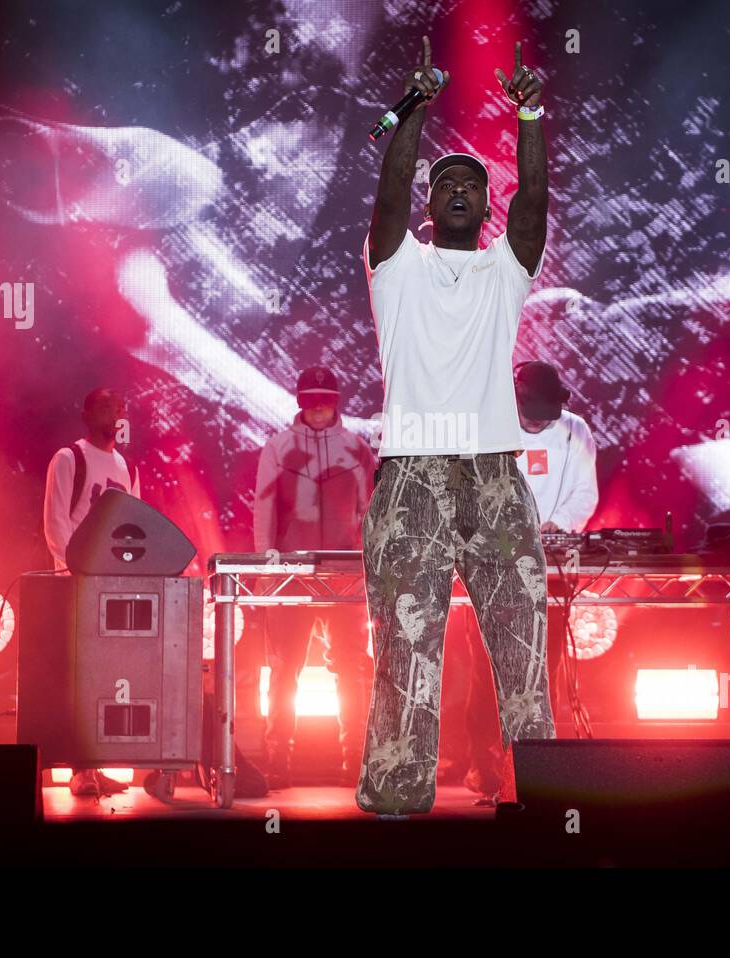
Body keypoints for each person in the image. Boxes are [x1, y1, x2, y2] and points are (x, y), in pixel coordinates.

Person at [358, 38, 553, 817]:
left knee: (522, 635)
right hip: (412, 474)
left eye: (475, 184)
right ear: (431, 207)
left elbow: (534, 206)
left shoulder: (502, 270)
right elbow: (387, 197)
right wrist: (414, 111)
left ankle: (544, 790)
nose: (462, 192)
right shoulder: (397, 265)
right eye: (449, 186)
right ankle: (399, 793)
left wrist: (529, 116)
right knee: (408, 645)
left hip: (495, 474)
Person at [444, 360, 599, 799]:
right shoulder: (484, 428)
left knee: (542, 670)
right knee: (487, 669)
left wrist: (559, 524)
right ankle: (485, 766)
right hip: (491, 565)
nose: (538, 423)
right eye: (531, 416)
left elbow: (584, 493)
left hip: (550, 567)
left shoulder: (576, 431)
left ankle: (532, 766)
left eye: (545, 416)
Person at [253, 366, 376, 787]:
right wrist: (267, 566)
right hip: (293, 571)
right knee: (285, 667)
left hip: (344, 572)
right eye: (310, 399)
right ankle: (276, 762)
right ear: (299, 401)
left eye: (325, 399)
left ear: (337, 401)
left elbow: (371, 511)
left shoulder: (358, 449)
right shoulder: (278, 447)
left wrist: (368, 566)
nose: (318, 408)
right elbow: (265, 508)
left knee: (352, 666)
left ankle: (356, 761)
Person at [42, 387, 140, 796]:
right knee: (76, 678)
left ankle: (95, 765)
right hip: (76, 584)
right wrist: (73, 571)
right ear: (85, 413)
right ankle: (79, 769)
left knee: (106, 679)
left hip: (112, 589)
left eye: (115, 406)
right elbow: (56, 522)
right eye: (101, 405)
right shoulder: (70, 458)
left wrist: (131, 579)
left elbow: (138, 529)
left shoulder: (127, 466)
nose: (110, 412)